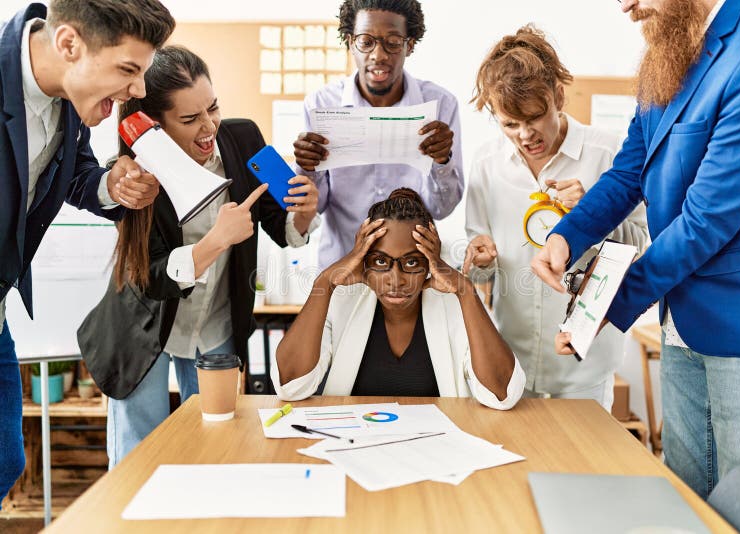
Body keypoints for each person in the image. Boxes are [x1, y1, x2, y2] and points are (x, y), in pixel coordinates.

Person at [531, 0, 740, 498]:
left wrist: (604, 302)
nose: (626, 5)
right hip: (681, 323)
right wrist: (567, 234)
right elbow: (629, 173)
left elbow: (706, 220)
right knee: (689, 502)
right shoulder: (668, 55)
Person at [105, 46, 320, 466]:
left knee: (215, 444)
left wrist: (305, 212)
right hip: (144, 324)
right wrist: (215, 242)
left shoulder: (244, 138)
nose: (209, 127)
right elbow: (150, 277)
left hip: (216, 322)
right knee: (138, 450)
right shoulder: (131, 175)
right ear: (152, 126)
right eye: (189, 119)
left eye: (213, 107)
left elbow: (281, 225)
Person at [0, 0, 173, 505]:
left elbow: (73, 173)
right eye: (128, 70)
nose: (138, 90)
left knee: (6, 460)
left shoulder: (66, 99)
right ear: (69, 44)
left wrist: (110, 185)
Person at [463, 25, 648, 410]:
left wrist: (593, 215)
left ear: (558, 97)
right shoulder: (486, 164)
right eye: (510, 124)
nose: (525, 135)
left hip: (585, 364)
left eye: (534, 117)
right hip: (511, 362)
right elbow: (480, 273)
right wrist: (479, 261)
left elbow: (641, 244)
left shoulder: (609, 153)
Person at [273, 188, 525, 410]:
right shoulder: (341, 300)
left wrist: (466, 292)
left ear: (431, 263)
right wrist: (324, 282)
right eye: (380, 261)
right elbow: (290, 386)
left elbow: (502, 395)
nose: (396, 279)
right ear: (362, 261)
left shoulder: (457, 303)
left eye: (412, 262)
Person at [293, 0, 463, 269]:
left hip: (409, 274)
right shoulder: (321, 104)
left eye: (393, 42)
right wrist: (308, 168)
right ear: (350, 42)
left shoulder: (440, 105)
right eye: (366, 41)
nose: (378, 55)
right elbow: (319, 205)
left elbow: (441, 209)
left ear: (409, 45)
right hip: (343, 270)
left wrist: (441, 162)